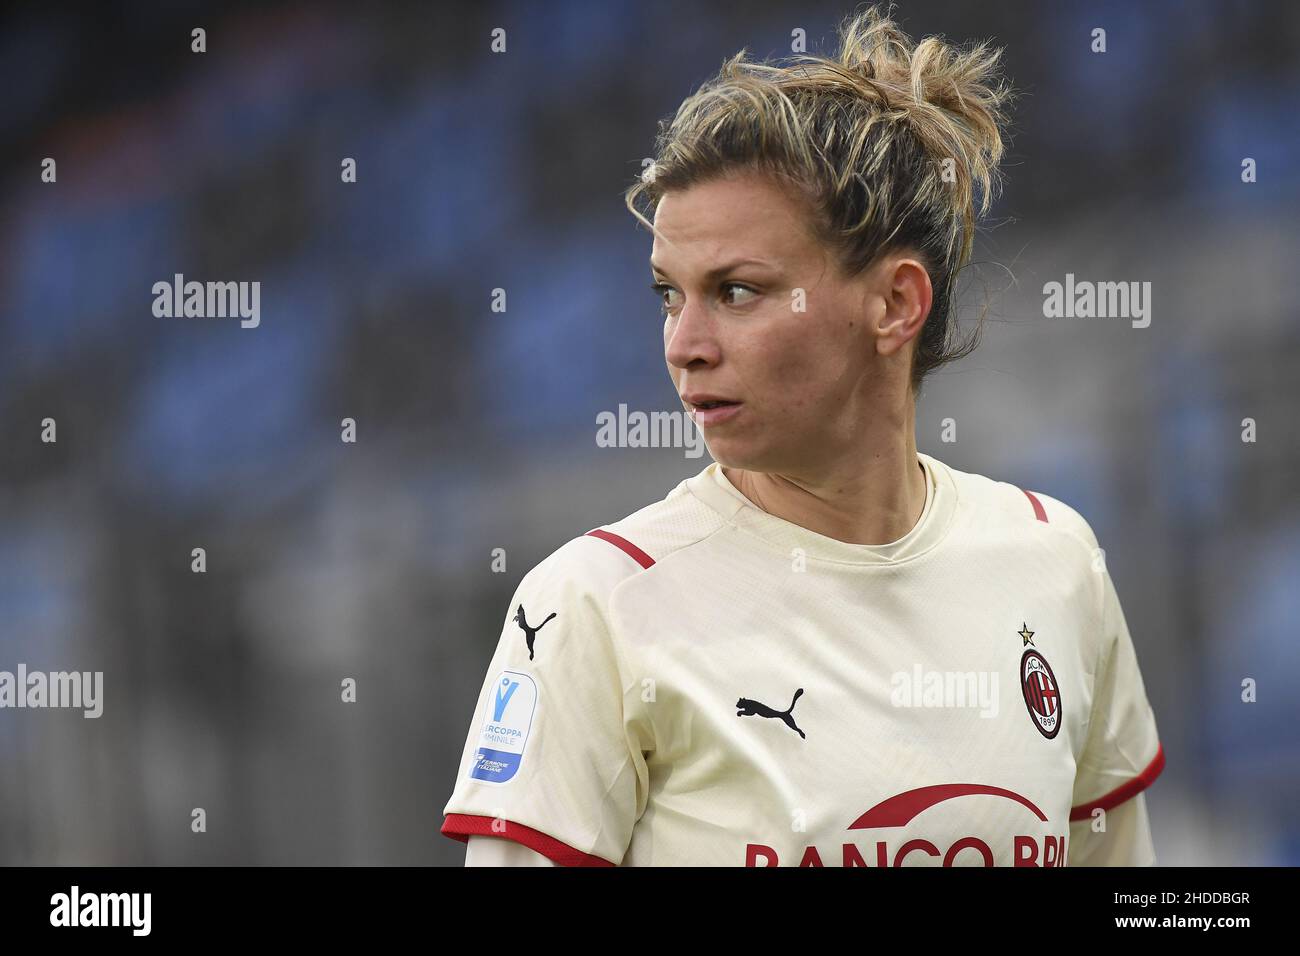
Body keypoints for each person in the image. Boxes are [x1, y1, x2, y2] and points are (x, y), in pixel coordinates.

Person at [441, 4, 1163, 866]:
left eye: (738, 291)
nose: (684, 343)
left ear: (896, 303)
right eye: (669, 293)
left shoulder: (1054, 560)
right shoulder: (593, 604)